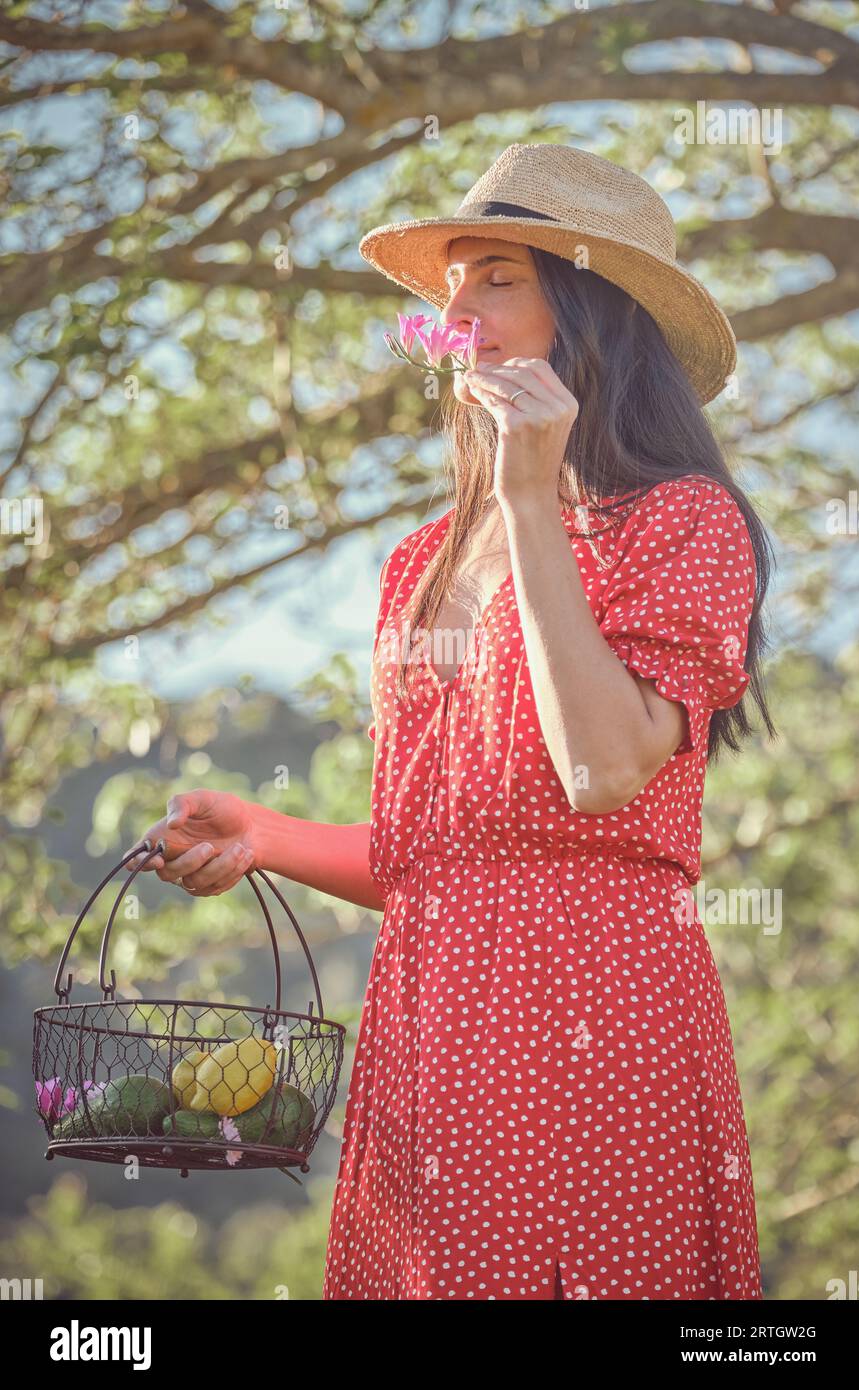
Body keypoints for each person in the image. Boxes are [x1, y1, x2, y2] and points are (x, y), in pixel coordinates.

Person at [129, 143, 777, 1300]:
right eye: (453, 285)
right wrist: (265, 835)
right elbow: (438, 855)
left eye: (497, 278)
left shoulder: (682, 524)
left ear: (591, 315)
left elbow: (595, 773)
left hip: (591, 1008)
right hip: (428, 1023)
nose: (457, 312)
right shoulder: (417, 566)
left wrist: (531, 496)